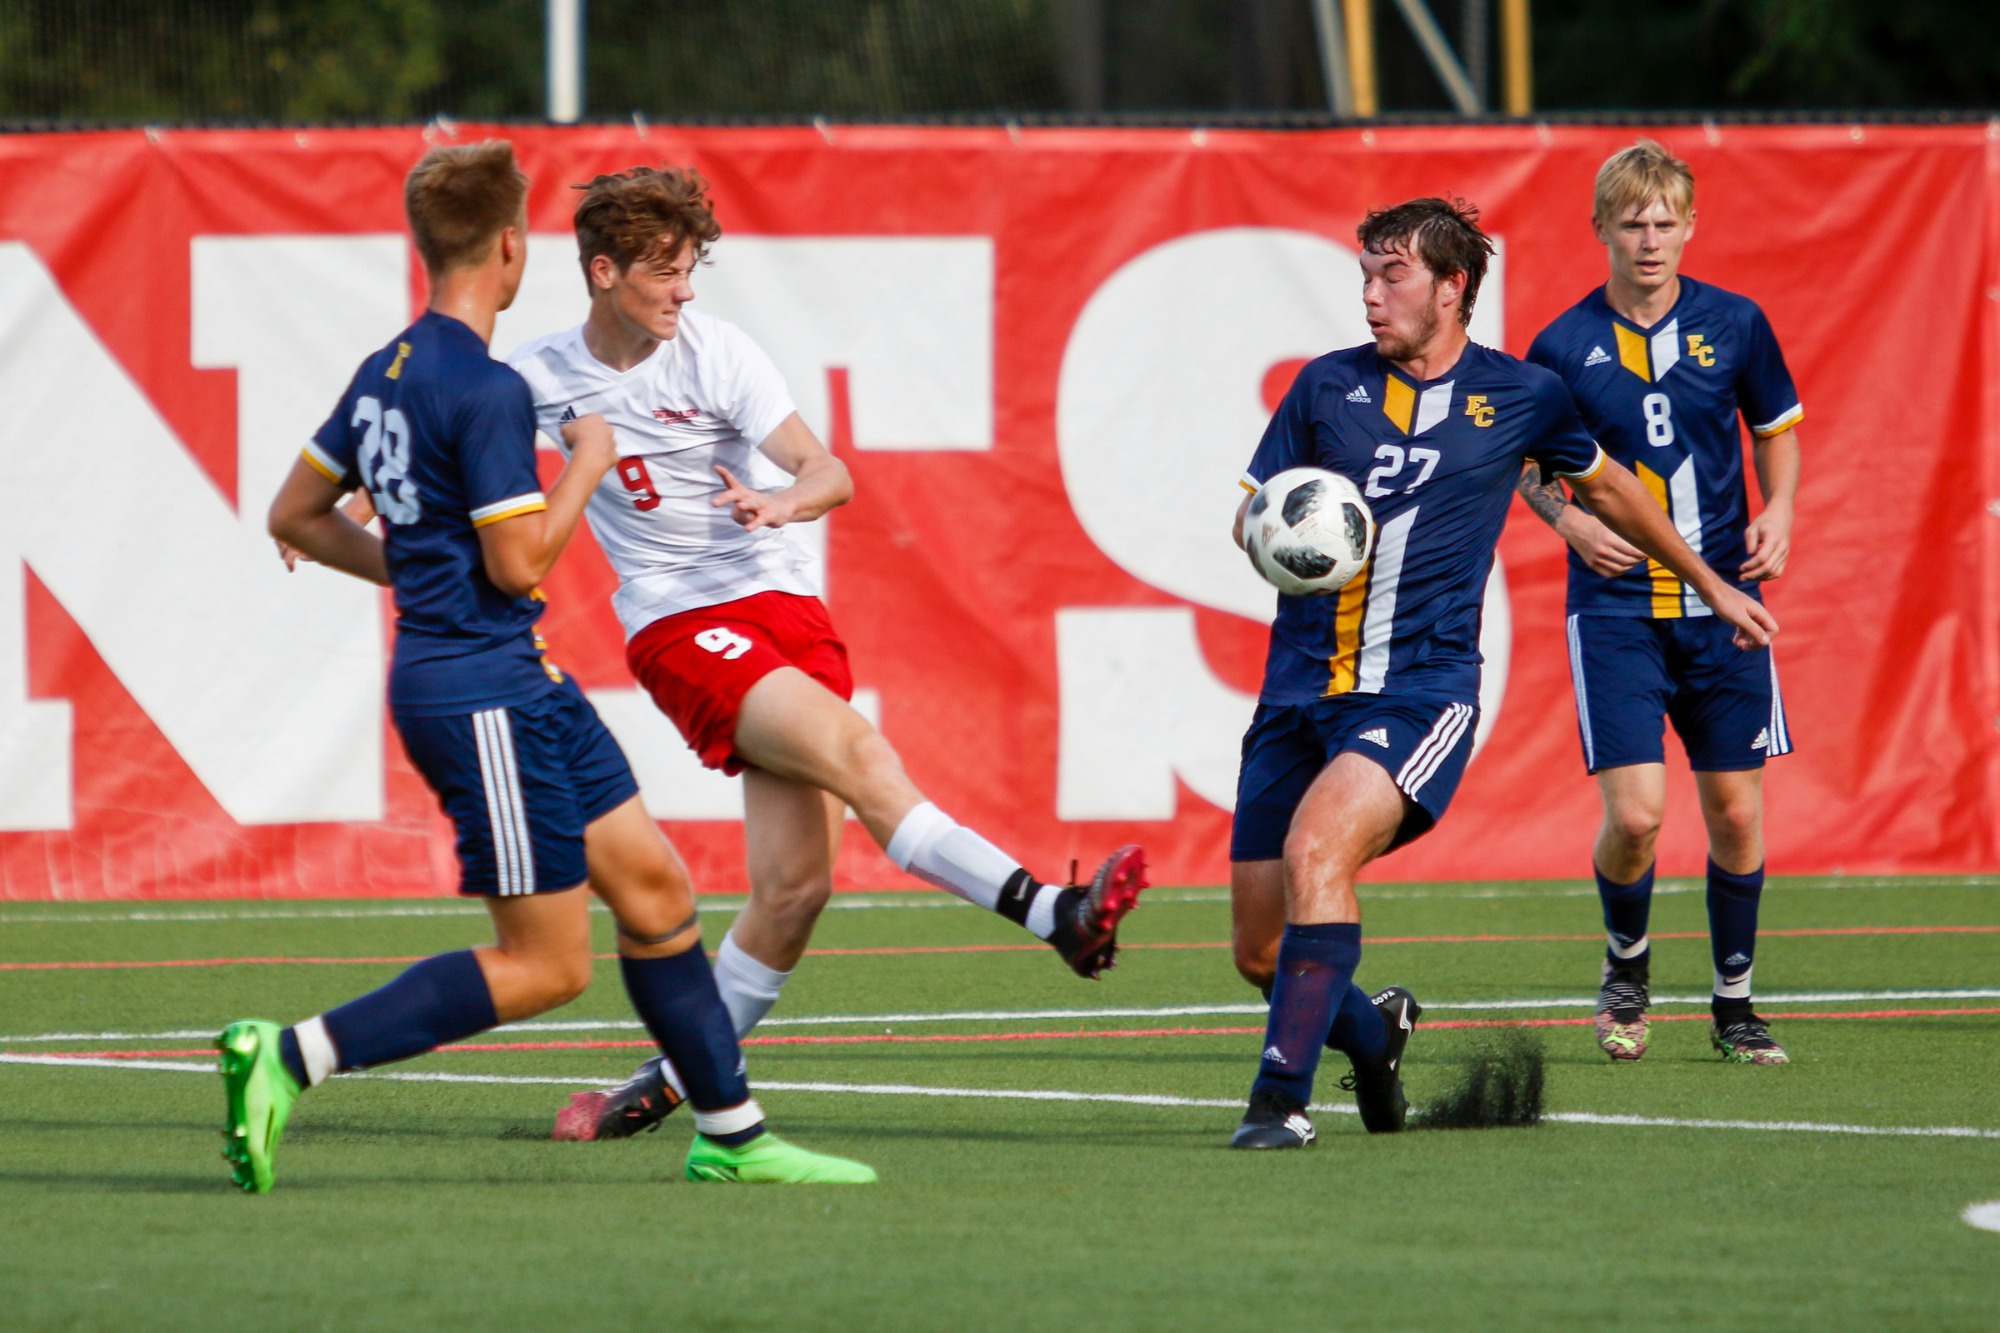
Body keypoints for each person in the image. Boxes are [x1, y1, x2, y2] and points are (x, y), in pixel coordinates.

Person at [218, 141, 874, 1192]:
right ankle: (292, 1052)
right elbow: (521, 561)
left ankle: (733, 1136)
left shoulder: (386, 366)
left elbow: (292, 515)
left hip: (518, 682)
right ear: (514, 250)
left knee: (657, 893)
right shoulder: (480, 387)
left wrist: (409, 559)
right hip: (477, 688)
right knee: (548, 962)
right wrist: (587, 463)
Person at [500, 166, 1148, 1141]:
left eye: (690, 271)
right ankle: (1052, 910)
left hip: (787, 608)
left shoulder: (717, 352)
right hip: (682, 626)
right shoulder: (539, 375)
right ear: (603, 271)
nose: (683, 290)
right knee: (860, 754)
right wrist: (357, 503)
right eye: (664, 272)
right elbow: (447, 459)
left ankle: (671, 1078)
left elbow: (826, 470)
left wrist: (781, 501)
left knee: (795, 890)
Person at [1226, 197, 1779, 1150]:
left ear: (1454, 287)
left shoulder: (1522, 394)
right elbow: (1250, 514)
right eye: (1363, 274)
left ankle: (1278, 1103)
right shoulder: (1323, 389)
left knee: (1321, 852)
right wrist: (1269, 534)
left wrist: (1710, 583)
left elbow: (1616, 489)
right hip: (1294, 692)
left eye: (1391, 275)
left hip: (1418, 688)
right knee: (1261, 950)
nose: (1369, 295)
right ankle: (1376, 1030)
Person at [1520, 141, 1803, 1066]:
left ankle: (1735, 1004)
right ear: (1599, 227)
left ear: (1690, 225)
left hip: (1726, 602)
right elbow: (1529, 467)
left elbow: (1775, 430)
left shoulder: (1738, 322)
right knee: (1638, 816)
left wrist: (1783, 508)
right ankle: (1626, 971)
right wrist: (1565, 521)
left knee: (1734, 812)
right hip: (1613, 608)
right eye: (1631, 222)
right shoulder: (1563, 345)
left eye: (1664, 221)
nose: (1649, 239)